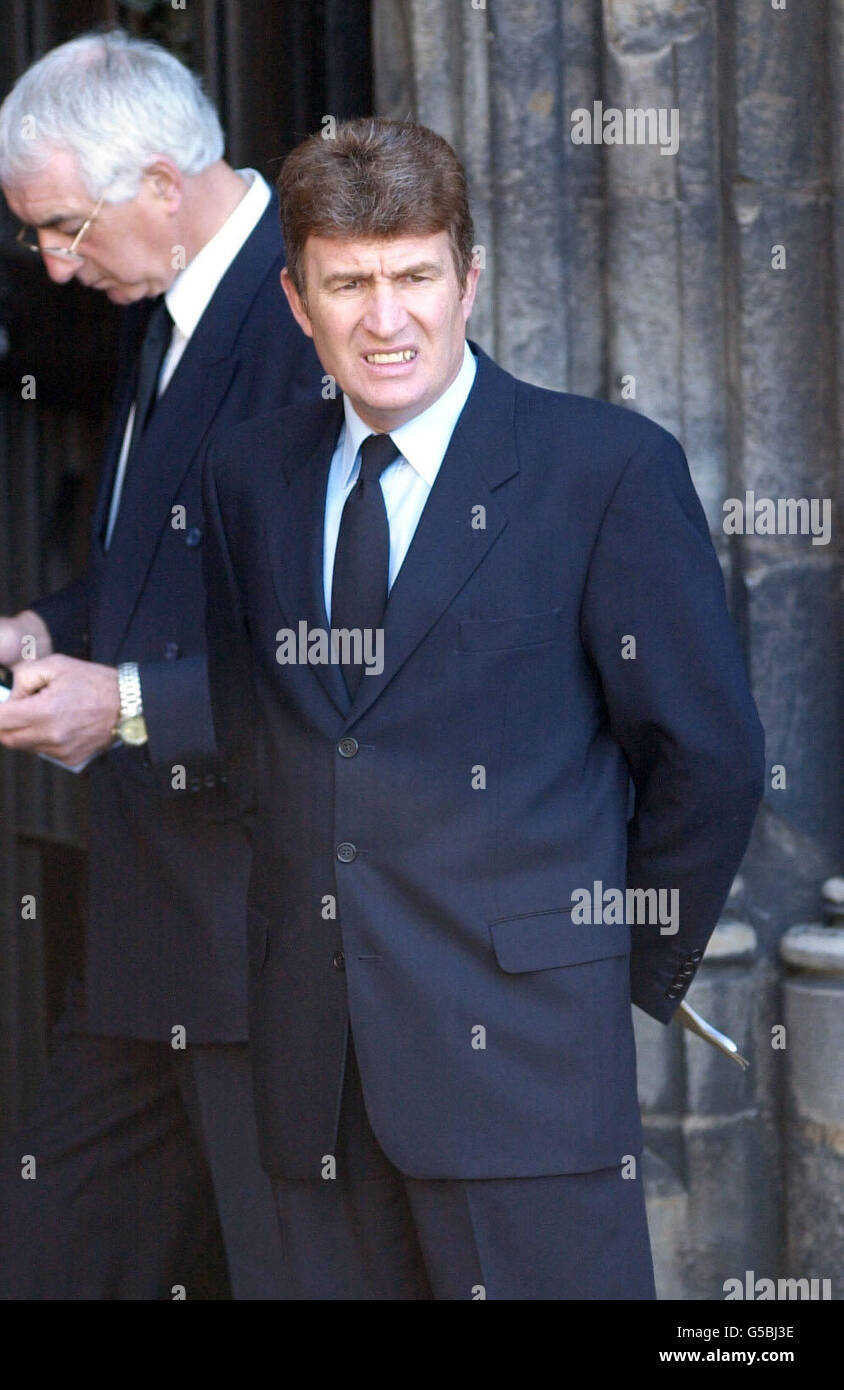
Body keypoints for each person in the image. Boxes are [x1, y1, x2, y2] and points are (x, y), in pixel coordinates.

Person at [201, 117, 766, 1299]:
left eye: (413, 274)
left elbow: (704, 760)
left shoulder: (602, 469)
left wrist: (596, 963)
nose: (384, 316)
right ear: (299, 304)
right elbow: (256, 730)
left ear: (469, 277)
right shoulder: (245, 475)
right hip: (314, 1074)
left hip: (527, 1072)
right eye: (346, 283)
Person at [0, 30, 321, 1298]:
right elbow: (156, 577)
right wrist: (44, 628)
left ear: (162, 181)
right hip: (151, 935)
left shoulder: (312, 307)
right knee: (37, 1267)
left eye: (62, 226)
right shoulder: (166, 304)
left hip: (269, 936)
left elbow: (357, 649)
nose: (49, 263)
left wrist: (134, 702)